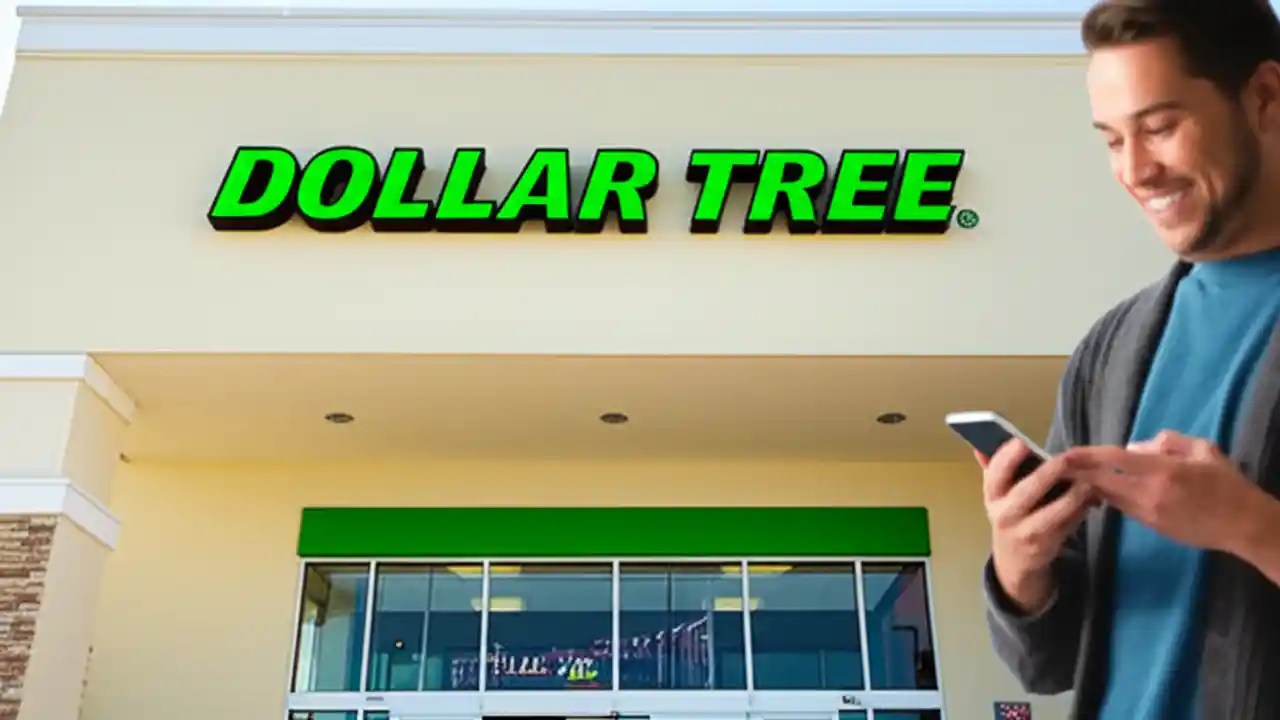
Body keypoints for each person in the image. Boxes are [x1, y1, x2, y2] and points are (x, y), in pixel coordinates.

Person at [978, 1, 1280, 719]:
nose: (1136, 170)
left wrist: (1251, 527)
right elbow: (1048, 662)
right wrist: (1023, 566)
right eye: (1112, 141)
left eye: (1160, 127)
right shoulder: (1110, 349)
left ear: (1265, 97)